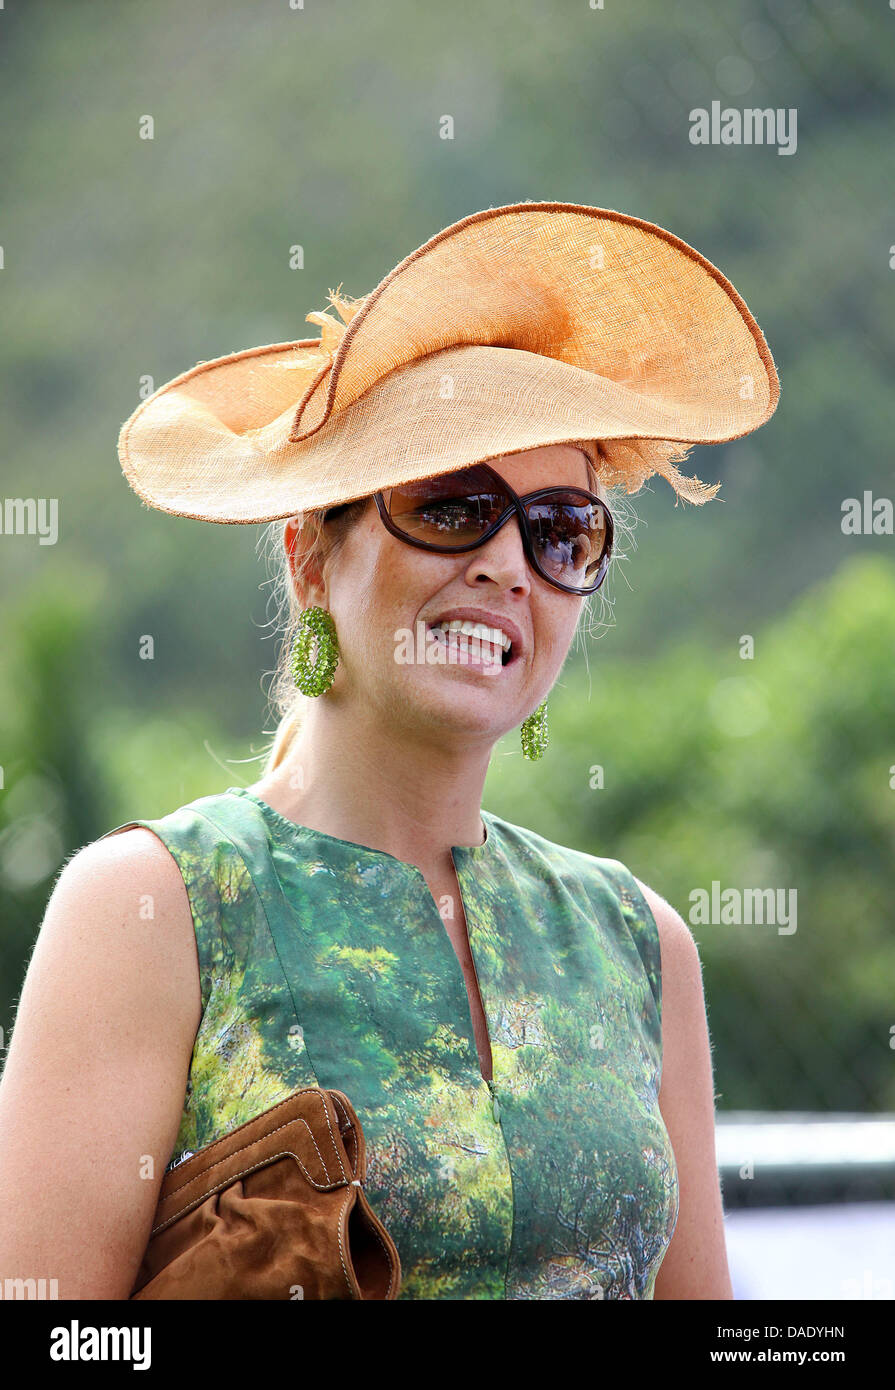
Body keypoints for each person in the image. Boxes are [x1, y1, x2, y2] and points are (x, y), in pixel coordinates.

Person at [0, 202, 779, 1300]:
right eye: (453, 506)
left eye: (559, 529)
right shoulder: (157, 907)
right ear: (310, 555)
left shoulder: (640, 944)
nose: (510, 563)